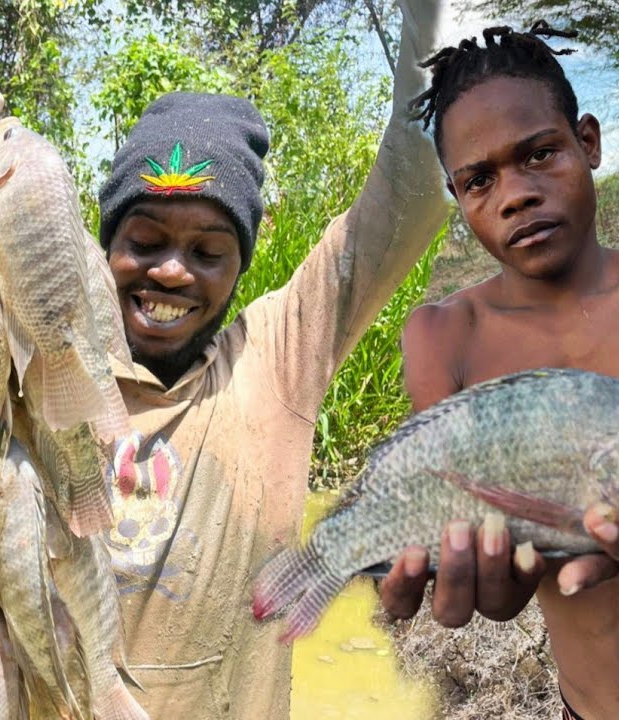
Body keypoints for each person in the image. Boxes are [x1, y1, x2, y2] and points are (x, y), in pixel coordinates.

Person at [378, 22, 619, 720]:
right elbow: (490, 570)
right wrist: (491, 576)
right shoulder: (442, 336)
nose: (514, 194)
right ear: (458, 199)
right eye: (480, 179)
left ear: (589, 141)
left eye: (539, 153)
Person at [94, 1, 446, 715]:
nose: (169, 272)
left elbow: (411, 191)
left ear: (239, 266)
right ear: (105, 244)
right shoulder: (49, 368)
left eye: (206, 251)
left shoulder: (276, 355)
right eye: (144, 239)